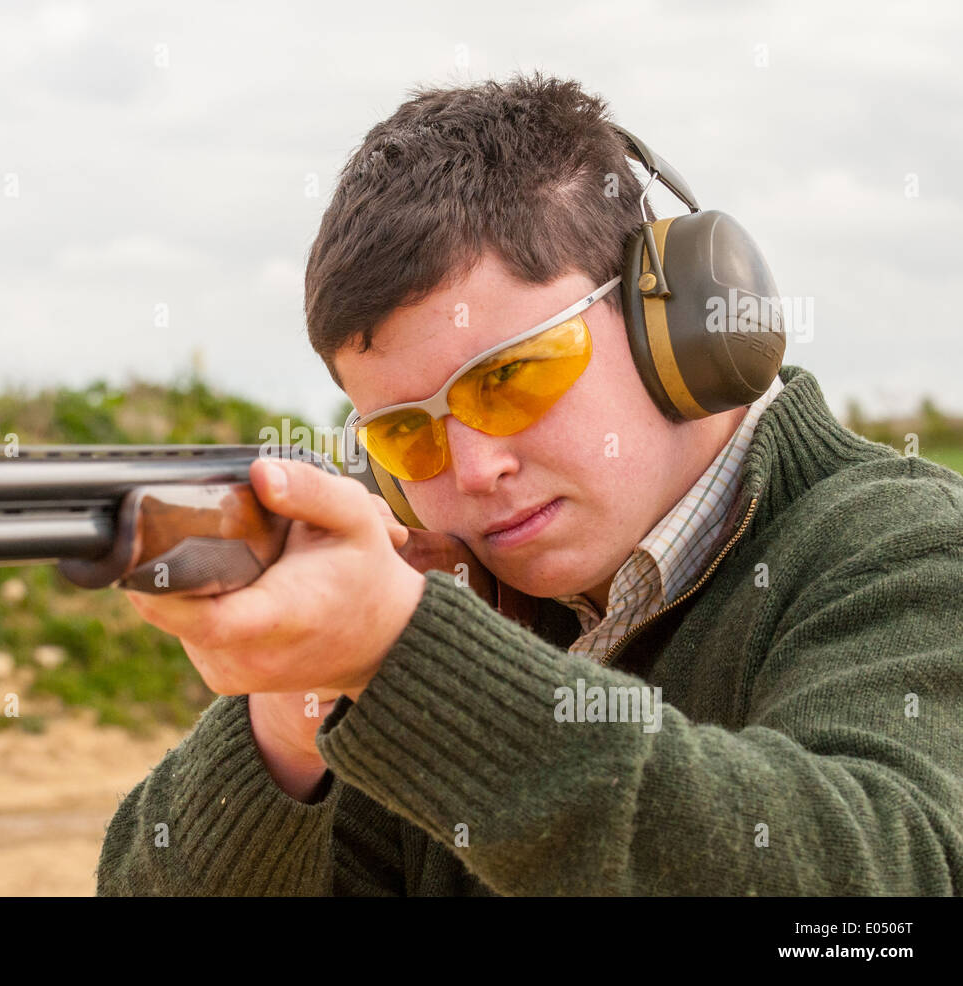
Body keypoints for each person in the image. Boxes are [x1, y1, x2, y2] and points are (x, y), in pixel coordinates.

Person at [89, 72, 963, 895]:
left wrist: (406, 652)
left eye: (509, 380)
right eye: (407, 433)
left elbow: (874, 899)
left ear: (675, 321)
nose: (474, 472)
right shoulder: (470, 598)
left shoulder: (911, 550)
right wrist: (288, 717)